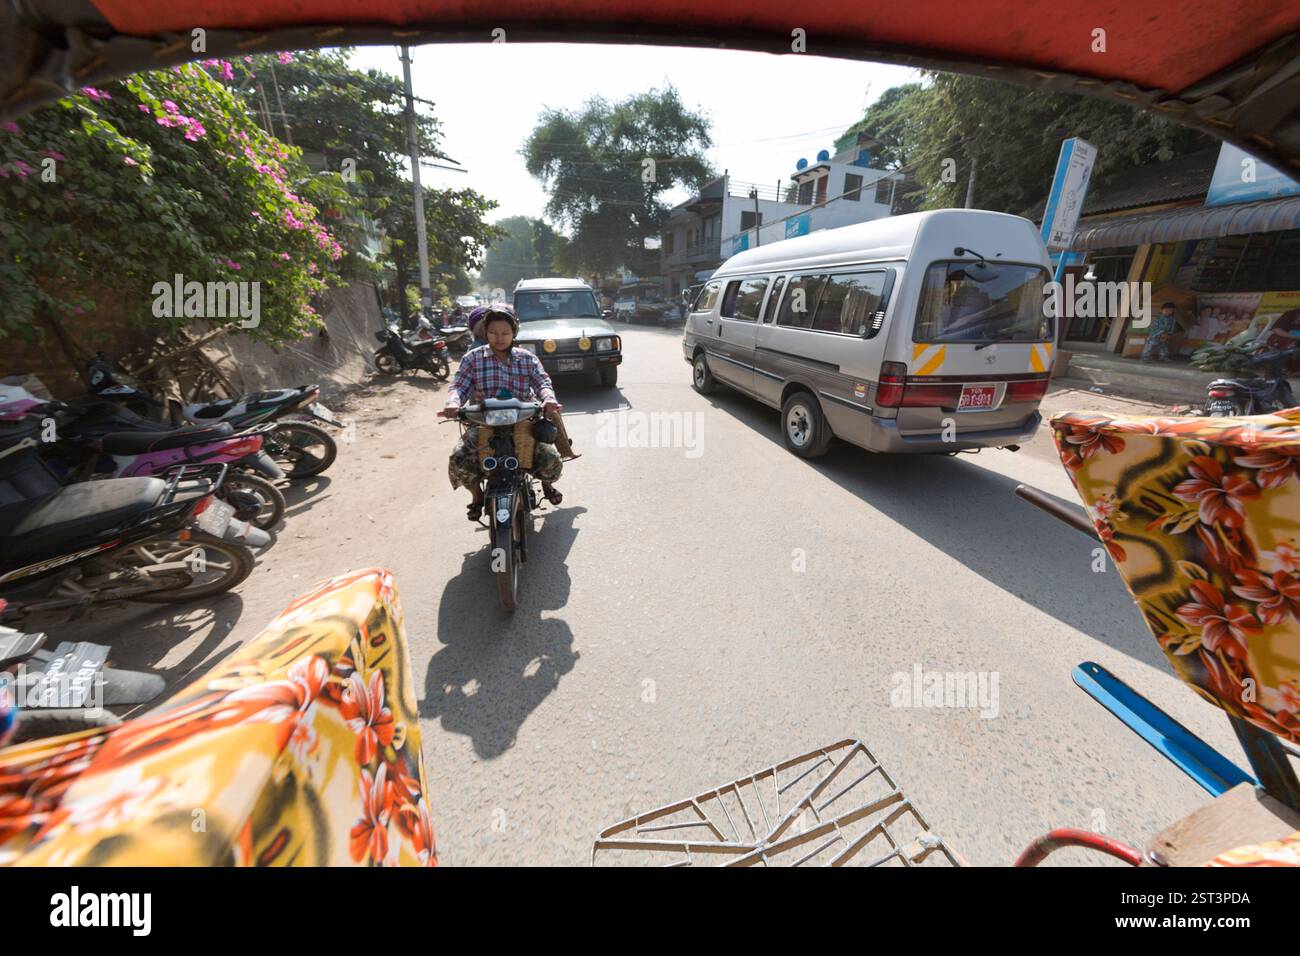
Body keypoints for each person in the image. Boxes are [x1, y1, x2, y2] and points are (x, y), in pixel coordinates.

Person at [438, 305, 565, 520]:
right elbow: (459, 385)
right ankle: (477, 496)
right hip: (484, 424)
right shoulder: (473, 358)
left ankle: (546, 484)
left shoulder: (527, 358)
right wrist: (452, 403)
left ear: (513, 333)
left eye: (505, 333)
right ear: (485, 333)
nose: (499, 338)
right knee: (458, 458)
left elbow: (542, 382)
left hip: (524, 421)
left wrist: (548, 398)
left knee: (550, 457)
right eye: (493, 333)